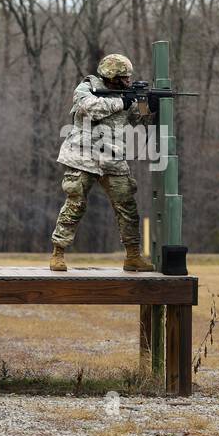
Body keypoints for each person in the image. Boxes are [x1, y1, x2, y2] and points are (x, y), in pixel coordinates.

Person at [49, 53, 155, 272]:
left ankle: (133, 256)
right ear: (111, 76)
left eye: (128, 78)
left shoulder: (125, 94)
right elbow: (91, 108)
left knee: (127, 206)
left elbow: (139, 119)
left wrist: (148, 105)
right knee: (75, 204)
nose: (128, 81)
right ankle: (58, 254)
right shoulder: (85, 88)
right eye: (124, 77)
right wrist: (123, 101)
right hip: (83, 157)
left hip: (112, 158)